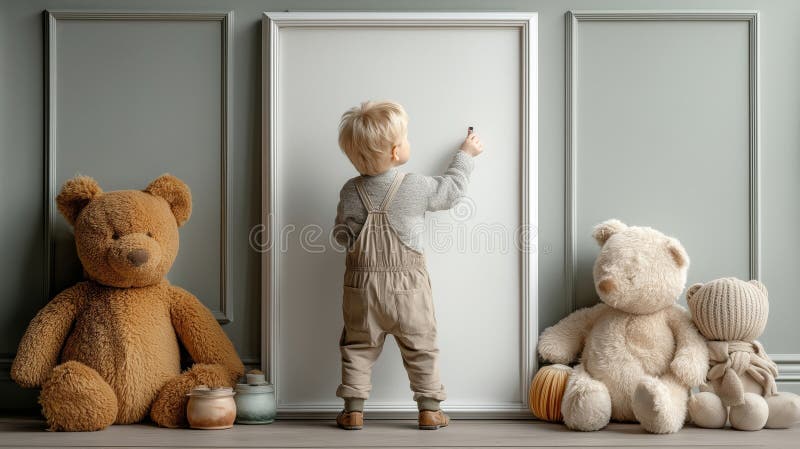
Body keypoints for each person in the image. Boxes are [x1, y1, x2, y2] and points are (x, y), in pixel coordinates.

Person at [332, 100, 484, 430]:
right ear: (396, 151)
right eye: (407, 138)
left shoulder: (350, 191)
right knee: (422, 348)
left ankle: (353, 411)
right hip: (409, 289)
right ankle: (430, 409)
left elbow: (342, 236)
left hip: (362, 290)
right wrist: (465, 156)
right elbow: (450, 192)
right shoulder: (414, 186)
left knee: (358, 346)